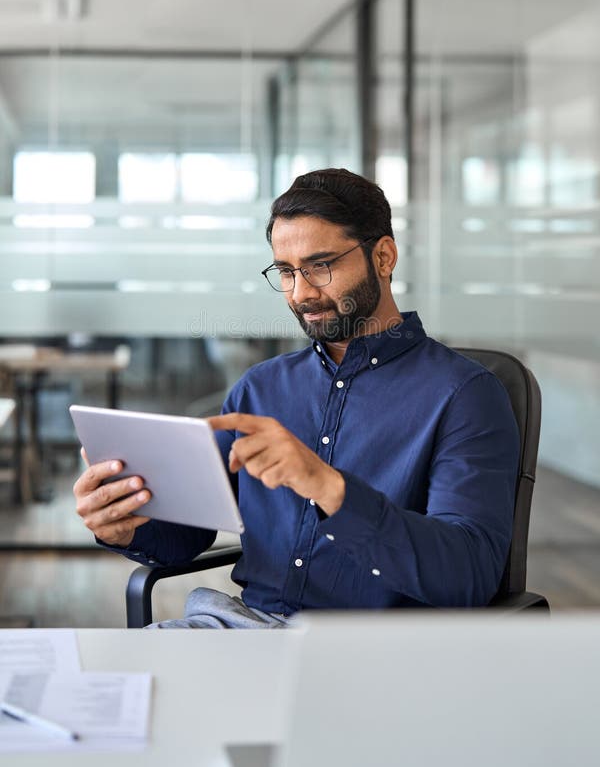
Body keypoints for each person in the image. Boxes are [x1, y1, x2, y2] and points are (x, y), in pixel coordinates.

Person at [73, 168, 519, 627]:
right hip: (244, 629)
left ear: (383, 257)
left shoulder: (465, 395)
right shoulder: (260, 389)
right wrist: (128, 525)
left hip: (380, 651)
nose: (302, 293)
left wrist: (330, 488)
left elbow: (468, 574)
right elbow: (188, 536)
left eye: (321, 266)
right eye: (286, 272)